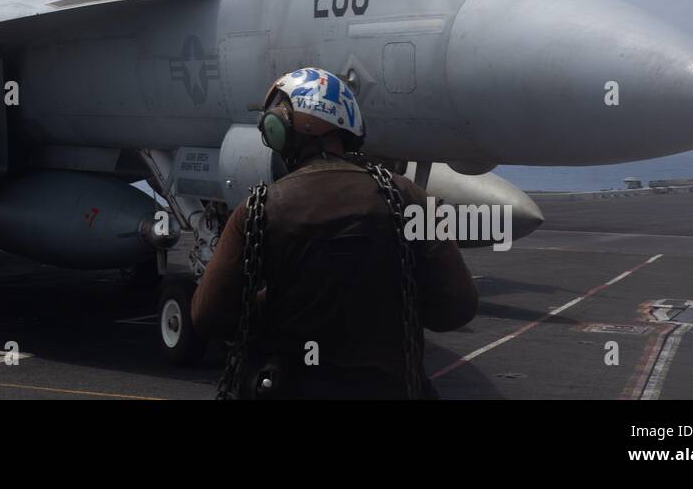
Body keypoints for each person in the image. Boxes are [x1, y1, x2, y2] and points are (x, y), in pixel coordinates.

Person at [191, 66, 478, 399]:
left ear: (285, 128)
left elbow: (209, 317)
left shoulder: (258, 211)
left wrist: (273, 305)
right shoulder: (412, 200)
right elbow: (456, 309)